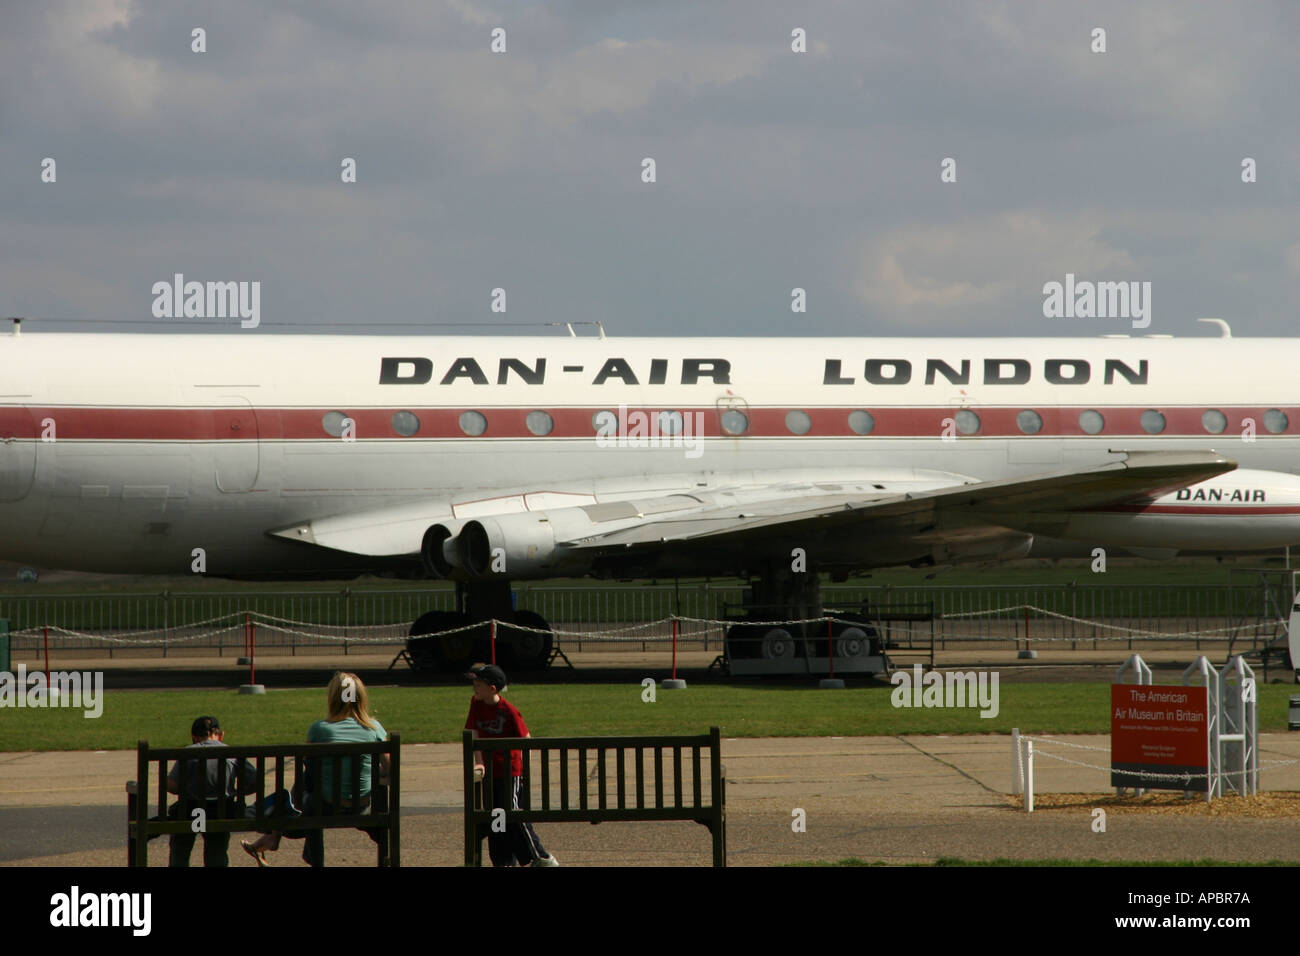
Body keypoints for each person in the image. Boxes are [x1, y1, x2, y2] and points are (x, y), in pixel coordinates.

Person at [241, 671, 391, 866]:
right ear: (361, 697)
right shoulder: (374, 728)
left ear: (333, 698)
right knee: (314, 795)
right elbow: (389, 770)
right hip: (360, 804)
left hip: (325, 806)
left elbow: (309, 766)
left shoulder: (319, 729)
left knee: (308, 798)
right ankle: (275, 834)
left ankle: (290, 843)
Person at [466, 663, 558, 867]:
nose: (474, 688)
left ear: (492, 688)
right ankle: (504, 860)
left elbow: (526, 739)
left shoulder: (509, 711)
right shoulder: (476, 703)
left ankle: (540, 857)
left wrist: (523, 771)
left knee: (513, 814)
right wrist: (479, 763)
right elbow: (473, 733)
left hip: (510, 771)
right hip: (491, 771)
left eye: (478, 684)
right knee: (497, 818)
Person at [167, 715, 258, 867]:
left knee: (180, 846)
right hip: (221, 812)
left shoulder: (188, 753)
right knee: (217, 849)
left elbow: (172, 786)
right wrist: (237, 791)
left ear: (194, 737)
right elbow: (255, 781)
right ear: (221, 735)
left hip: (191, 812)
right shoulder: (232, 753)